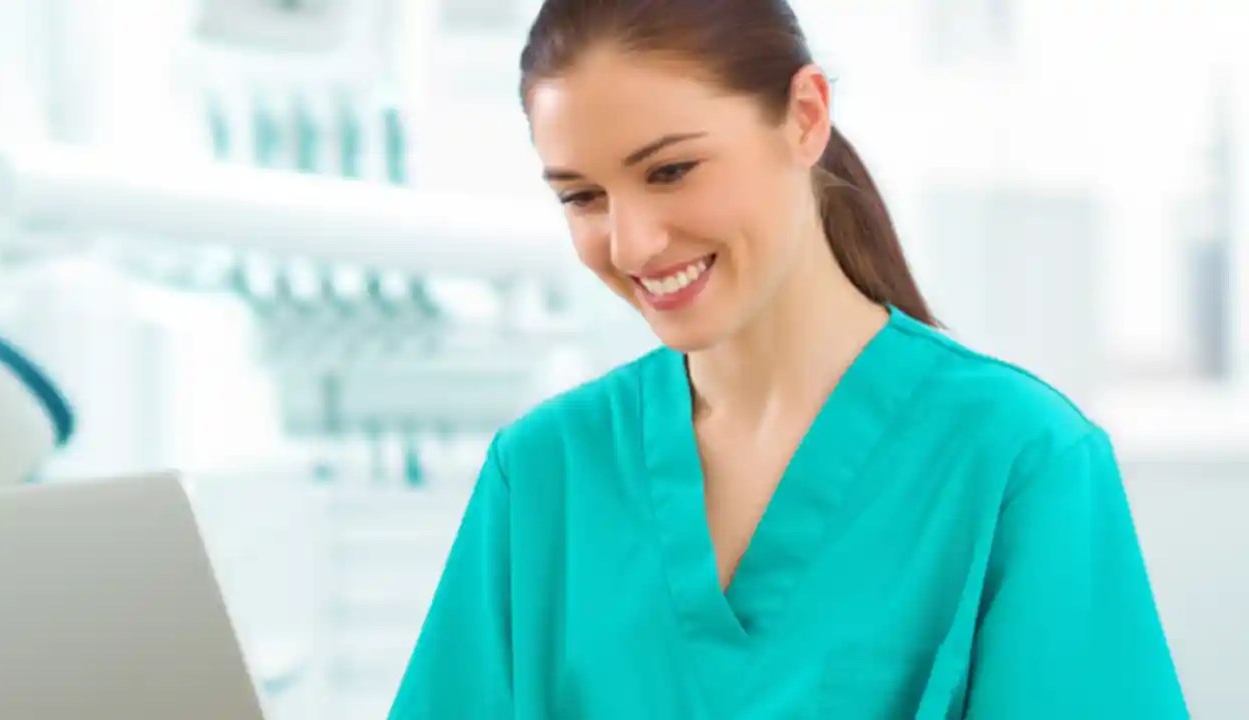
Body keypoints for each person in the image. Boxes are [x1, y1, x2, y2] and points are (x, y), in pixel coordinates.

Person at [388, 0, 1188, 717]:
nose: (630, 244)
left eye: (671, 171)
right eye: (581, 197)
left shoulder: (1018, 459)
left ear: (805, 117)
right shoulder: (542, 474)